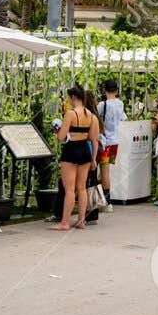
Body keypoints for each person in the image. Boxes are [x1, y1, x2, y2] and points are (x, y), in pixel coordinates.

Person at [53, 87, 98, 231]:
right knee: (82, 188)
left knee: (70, 189)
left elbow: (61, 137)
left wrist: (55, 130)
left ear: (73, 97)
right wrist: (94, 158)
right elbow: (94, 139)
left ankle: (64, 222)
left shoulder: (70, 114)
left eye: (69, 98)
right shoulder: (91, 115)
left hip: (71, 150)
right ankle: (81, 220)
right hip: (85, 150)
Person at [96, 79, 126, 211]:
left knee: (105, 172)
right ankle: (101, 196)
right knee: (104, 172)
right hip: (115, 141)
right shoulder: (120, 104)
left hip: (104, 142)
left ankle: (107, 202)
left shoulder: (103, 105)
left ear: (104, 90)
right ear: (117, 90)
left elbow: (95, 118)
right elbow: (124, 119)